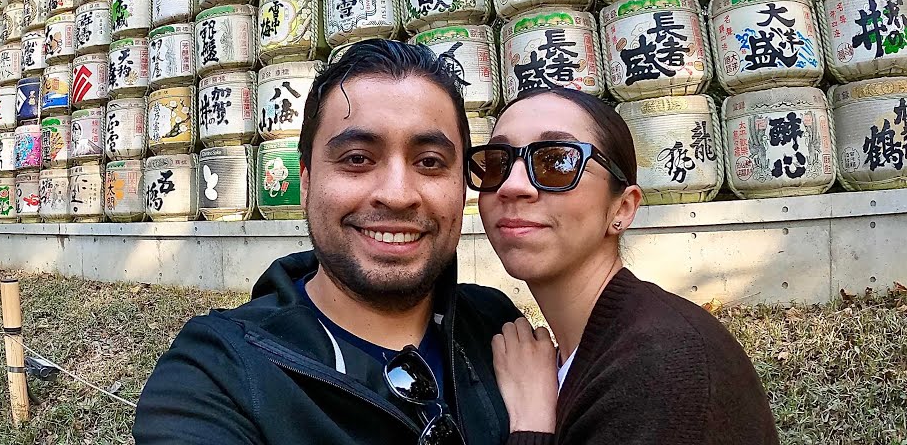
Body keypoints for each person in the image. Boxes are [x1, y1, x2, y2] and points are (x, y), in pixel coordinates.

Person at [133, 40, 523, 445]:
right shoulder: (218, 372)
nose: (397, 194)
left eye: (429, 162)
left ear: (462, 187)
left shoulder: (498, 327)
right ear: (305, 183)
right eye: (357, 158)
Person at [466, 87, 778, 445]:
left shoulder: (665, 366)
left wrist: (531, 426)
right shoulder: (589, 352)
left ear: (622, 208)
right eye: (496, 163)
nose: (511, 185)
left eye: (557, 161)